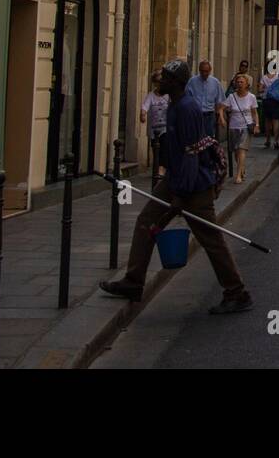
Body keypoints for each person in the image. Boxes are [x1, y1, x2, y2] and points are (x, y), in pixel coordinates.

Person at [100, 58, 253, 315]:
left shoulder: (187, 109)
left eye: (167, 78)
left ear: (178, 83)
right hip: (176, 180)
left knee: (210, 239)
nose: (162, 81)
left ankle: (237, 291)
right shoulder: (174, 105)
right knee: (146, 222)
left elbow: (192, 154)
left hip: (194, 186)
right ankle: (134, 281)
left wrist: (181, 195)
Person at [224, 74, 260, 184]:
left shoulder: (251, 97)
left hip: (246, 126)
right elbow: (223, 108)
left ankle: (238, 175)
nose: (239, 84)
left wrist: (257, 125)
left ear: (247, 84)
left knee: (241, 150)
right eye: (238, 82)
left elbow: (254, 113)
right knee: (236, 152)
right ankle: (242, 168)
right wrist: (222, 117)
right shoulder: (231, 97)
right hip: (233, 126)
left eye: (241, 82)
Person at [187, 61, 227, 138]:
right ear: (199, 70)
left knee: (209, 139)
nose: (204, 73)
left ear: (210, 71)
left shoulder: (215, 82)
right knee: (196, 137)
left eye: (206, 71)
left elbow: (220, 101)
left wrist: (220, 117)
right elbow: (187, 98)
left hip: (209, 116)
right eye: (202, 71)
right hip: (196, 115)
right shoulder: (192, 82)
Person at [139, 72, 168, 169]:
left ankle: (161, 170)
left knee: (164, 150)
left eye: (160, 82)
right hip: (154, 130)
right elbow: (145, 107)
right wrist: (143, 114)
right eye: (156, 82)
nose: (159, 84)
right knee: (156, 150)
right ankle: (157, 171)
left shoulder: (167, 96)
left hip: (165, 129)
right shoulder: (150, 96)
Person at [259, 66, 279, 150]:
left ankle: (268, 140)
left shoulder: (264, 77)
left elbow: (260, 89)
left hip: (267, 100)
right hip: (276, 101)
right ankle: (276, 141)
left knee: (268, 120)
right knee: (276, 121)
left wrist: (266, 89)